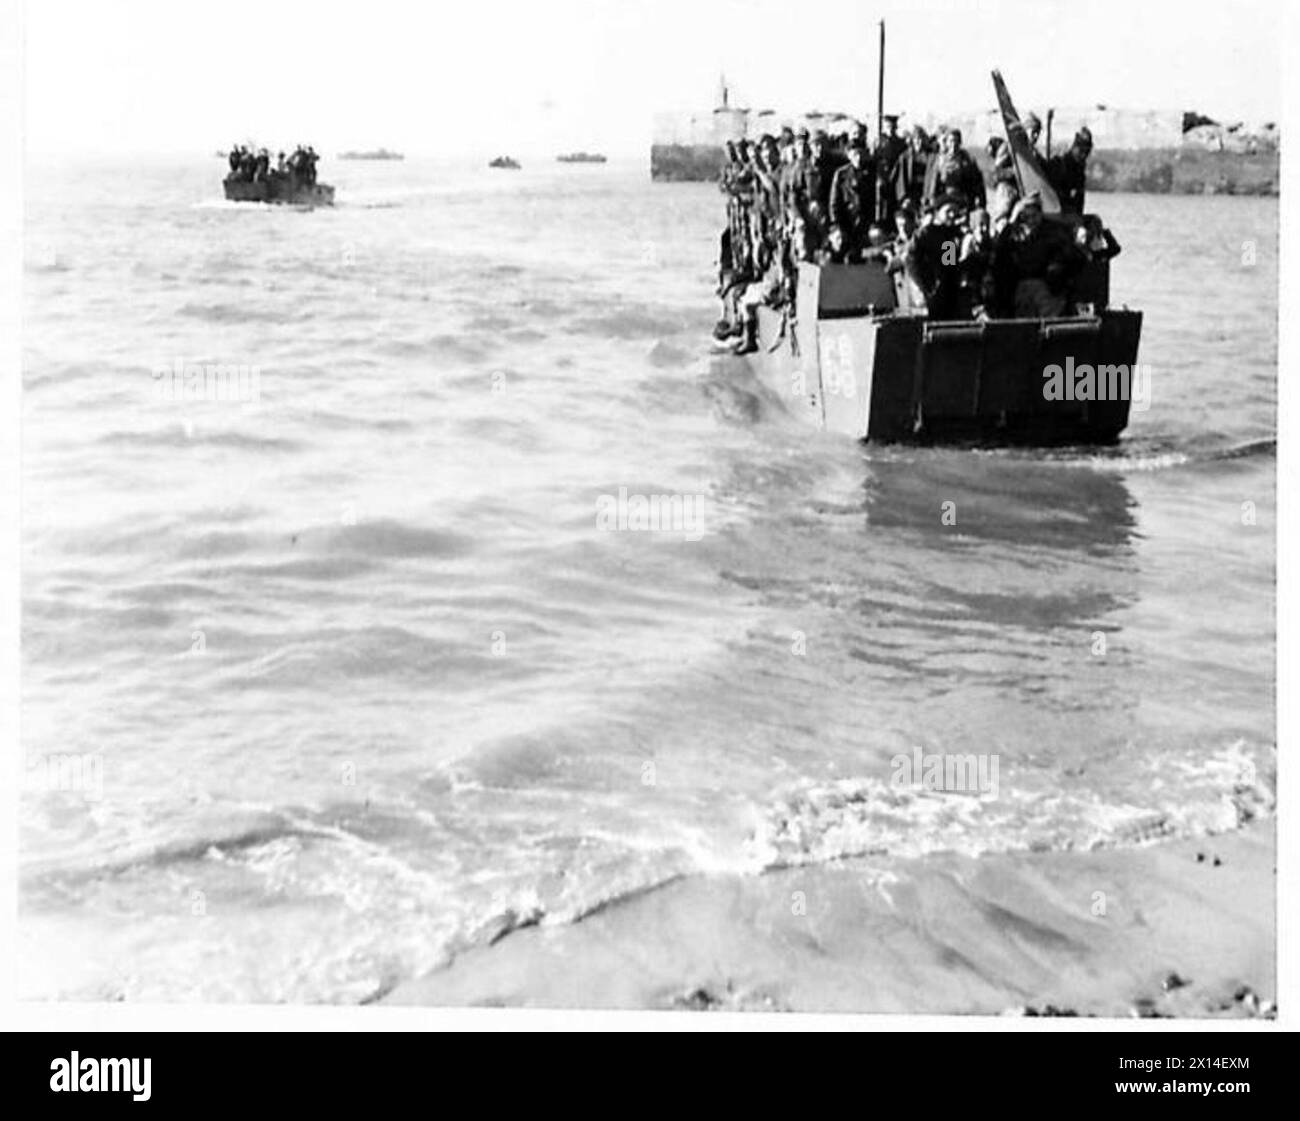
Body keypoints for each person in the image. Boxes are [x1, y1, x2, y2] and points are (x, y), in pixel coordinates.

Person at [990, 193, 1086, 317]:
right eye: (1026, 217)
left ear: (1040, 214)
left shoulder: (1052, 233)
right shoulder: (1015, 235)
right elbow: (999, 252)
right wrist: (1012, 221)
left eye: (1034, 216)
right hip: (1020, 288)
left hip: (1045, 287)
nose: (1031, 221)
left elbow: (1073, 256)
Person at [905, 193, 969, 318]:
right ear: (938, 212)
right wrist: (925, 287)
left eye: (955, 212)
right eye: (948, 211)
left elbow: (949, 265)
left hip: (945, 295)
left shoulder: (949, 235)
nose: (952, 215)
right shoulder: (925, 234)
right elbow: (911, 259)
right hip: (928, 293)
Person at [923, 127, 986, 210]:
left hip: (962, 199)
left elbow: (976, 181)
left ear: (960, 142)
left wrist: (980, 200)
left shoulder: (967, 160)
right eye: (951, 141)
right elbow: (933, 181)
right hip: (943, 198)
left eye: (956, 141)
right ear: (947, 143)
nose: (954, 144)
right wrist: (930, 198)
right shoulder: (940, 160)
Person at [829, 140, 876, 250]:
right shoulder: (841, 174)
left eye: (860, 153)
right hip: (846, 221)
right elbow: (834, 202)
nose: (858, 158)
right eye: (855, 154)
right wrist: (837, 225)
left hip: (866, 222)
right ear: (849, 155)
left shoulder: (872, 173)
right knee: (838, 243)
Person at [1048, 127, 1093, 214]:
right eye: (1081, 151)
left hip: (1071, 216)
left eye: (1086, 152)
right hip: (1055, 212)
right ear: (1074, 147)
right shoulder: (1058, 164)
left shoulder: (1080, 173)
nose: (1084, 156)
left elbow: (1079, 203)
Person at [873, 114, 907, 221]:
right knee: (881, 203)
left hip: (896, 176)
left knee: (895, 202)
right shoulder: (878, 142)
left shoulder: (901, 143)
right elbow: (874, 160)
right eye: (888, 127)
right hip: (882, 175)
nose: (890, 130)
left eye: (893, 127)